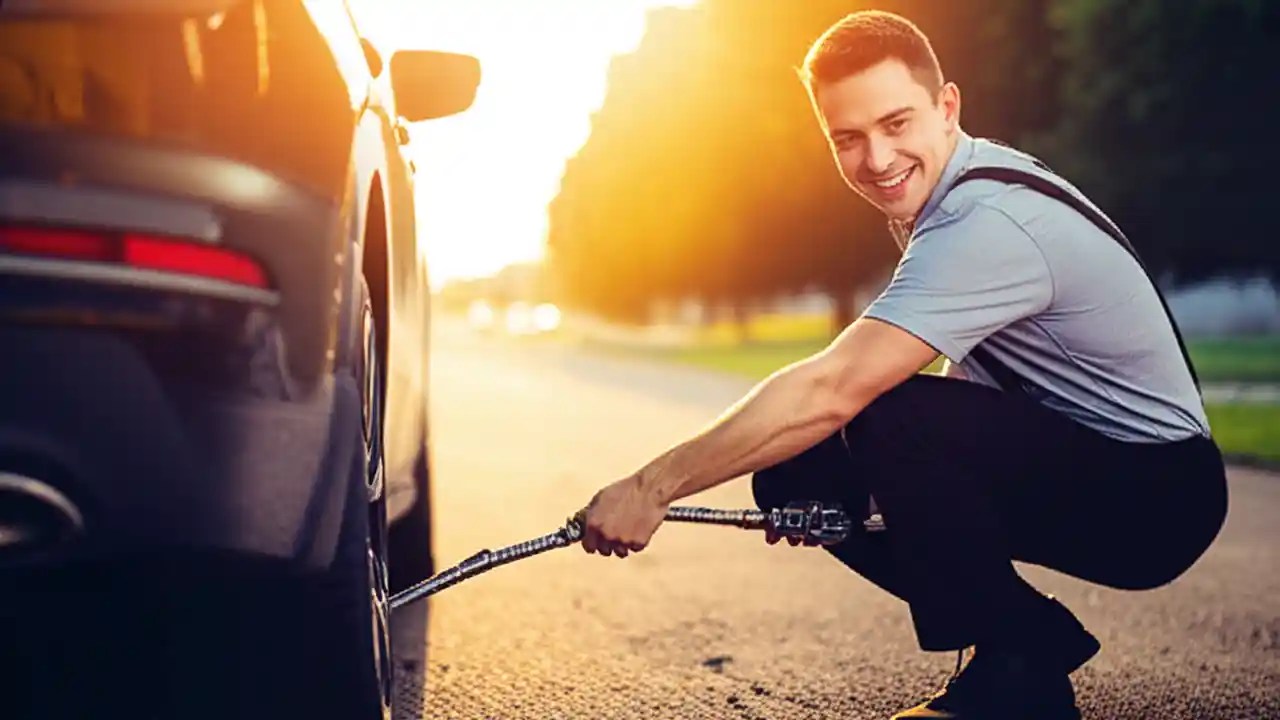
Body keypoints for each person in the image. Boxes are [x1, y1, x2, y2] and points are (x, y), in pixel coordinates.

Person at [578, 9, 1228, 719]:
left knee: (881, 412)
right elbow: (972, 397)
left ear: (947, 107)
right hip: (1105, 471)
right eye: (848, 139)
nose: (878, 159)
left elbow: (833, 388)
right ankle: (1025, 641)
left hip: (1159, 498)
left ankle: (1016, 674)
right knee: (798, 476)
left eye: (896, 124)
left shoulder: (985, 223)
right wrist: (900, 499)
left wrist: (653, 485)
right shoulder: (953, 191)